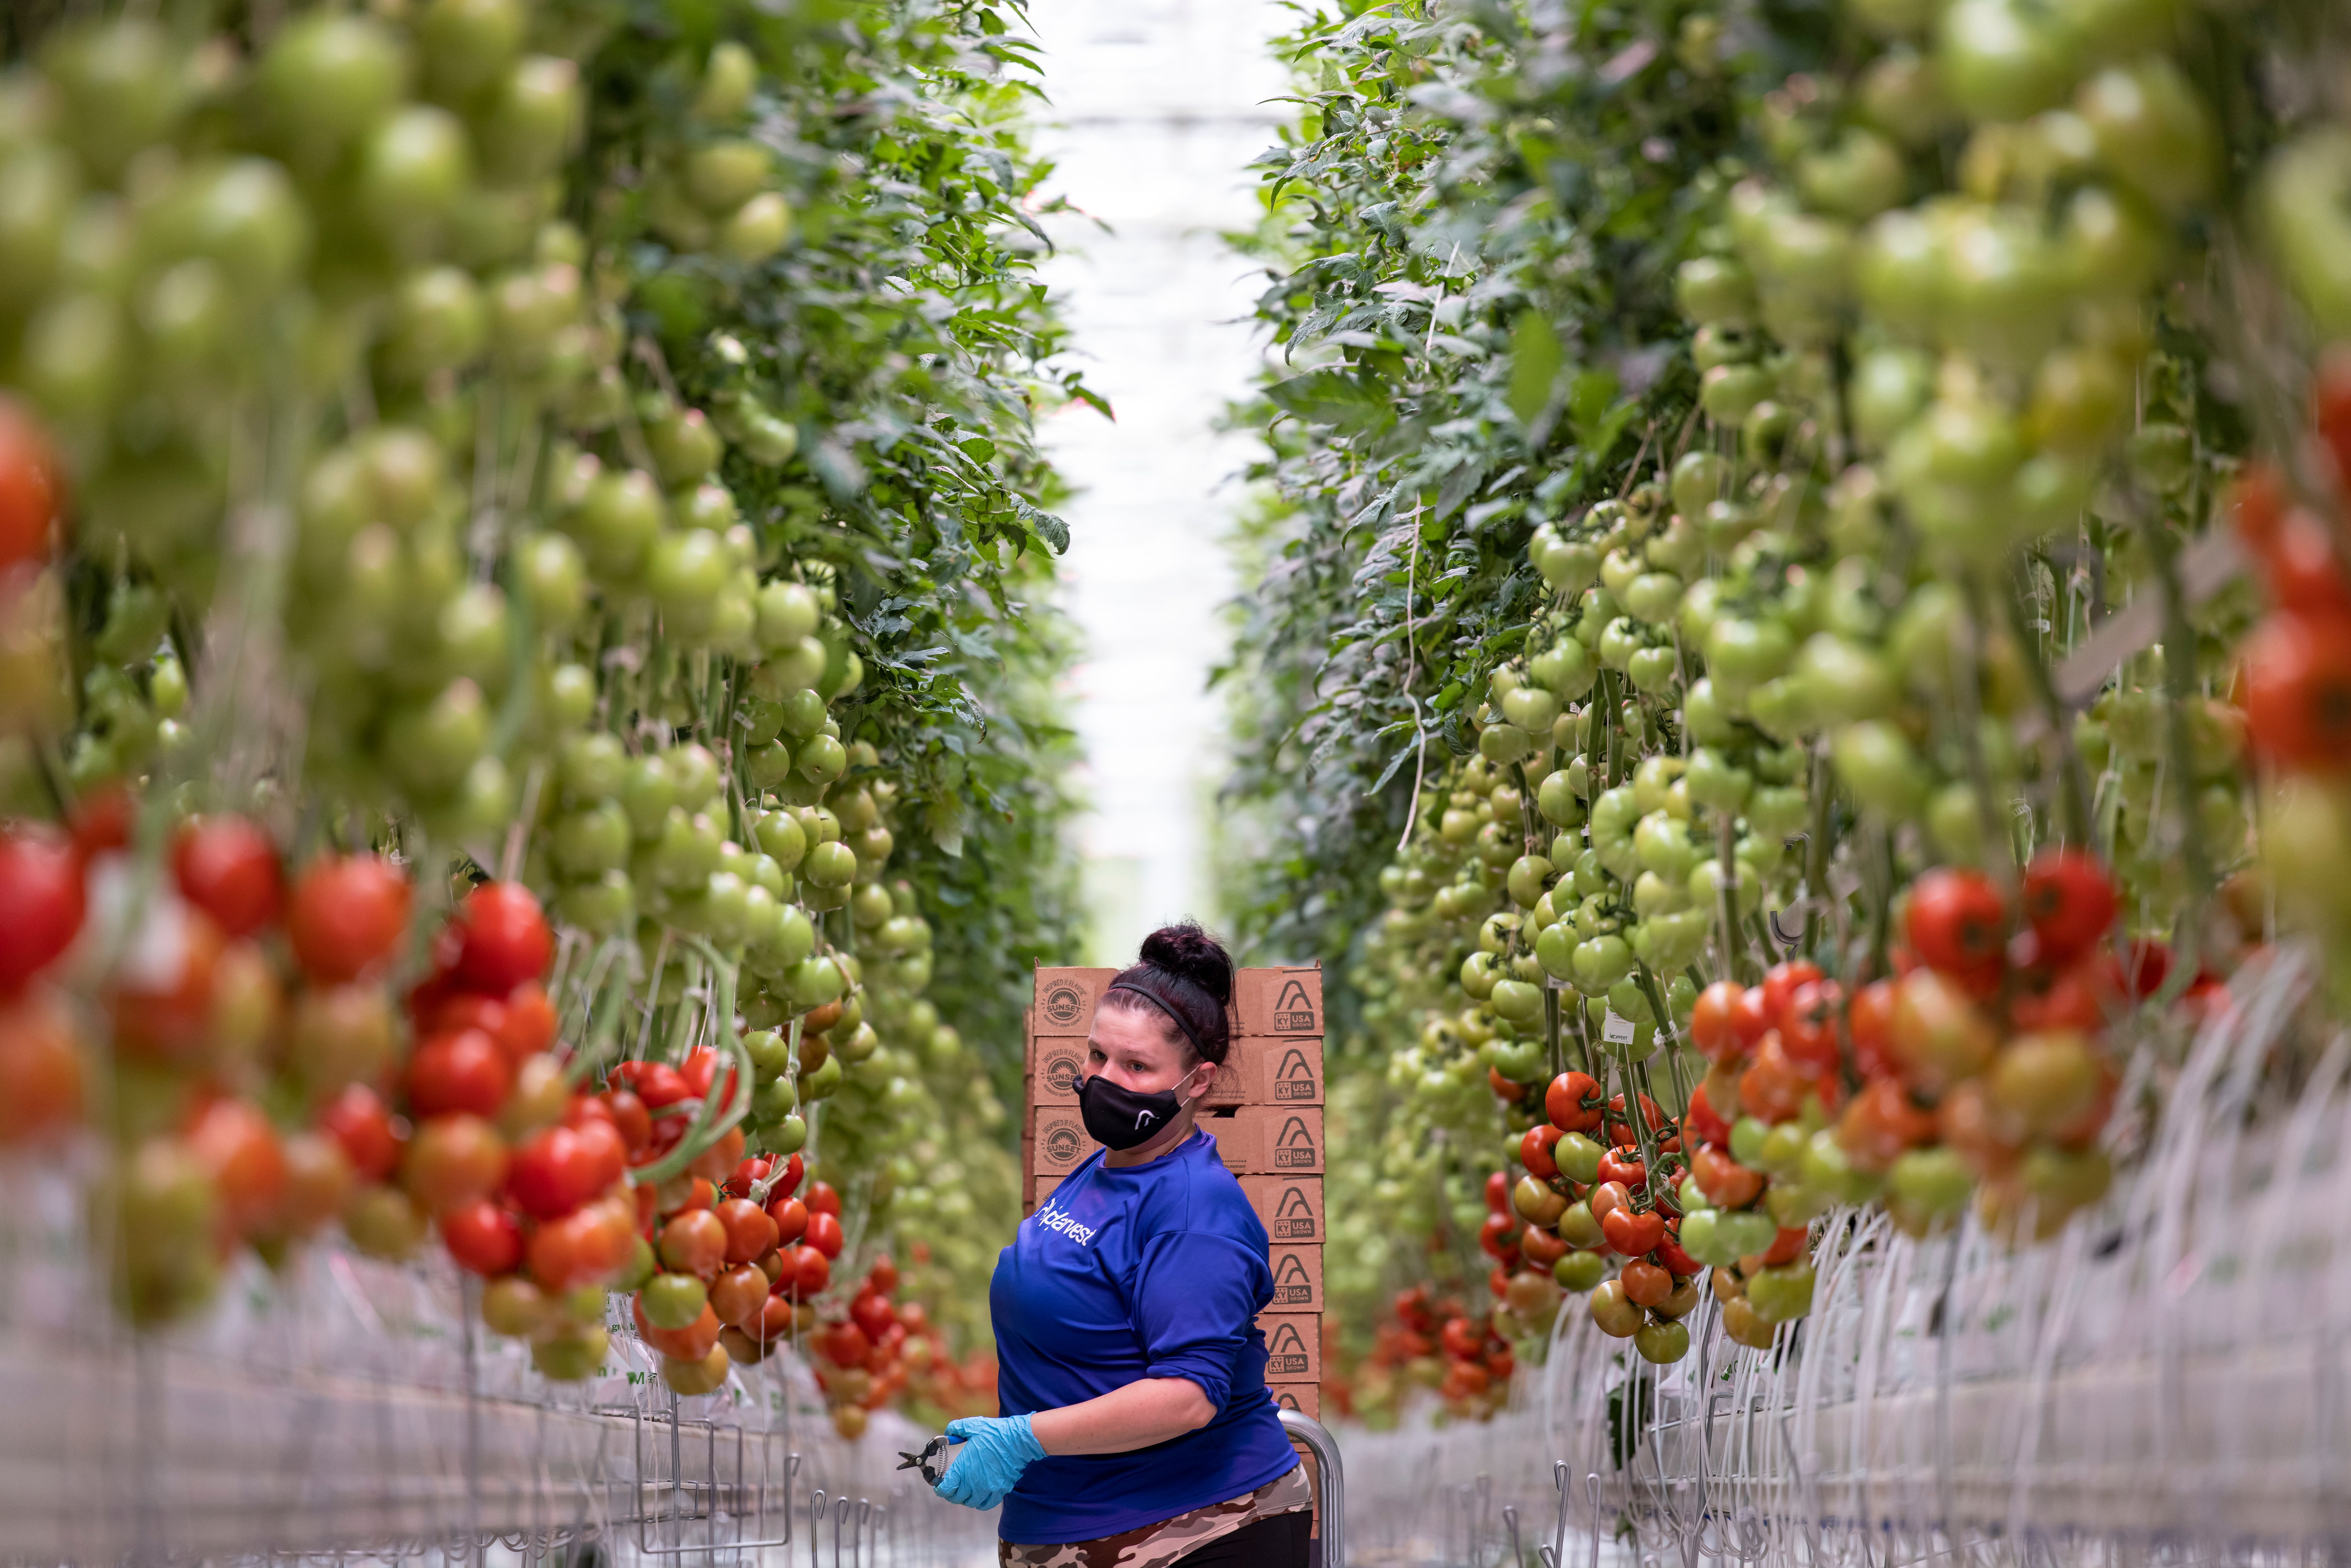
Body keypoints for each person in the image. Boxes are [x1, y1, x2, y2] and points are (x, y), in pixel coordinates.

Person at [929, 923, 1309, 1568]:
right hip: (1076, 1523)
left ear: (1196, 1081)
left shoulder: (1194, 1210)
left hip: (1188, 1531)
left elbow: (1189, 1394)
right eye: (1097, 1056)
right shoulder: (1107, 1166)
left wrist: (1024, 1436)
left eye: (1136, 1066)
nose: (1105, 1079)